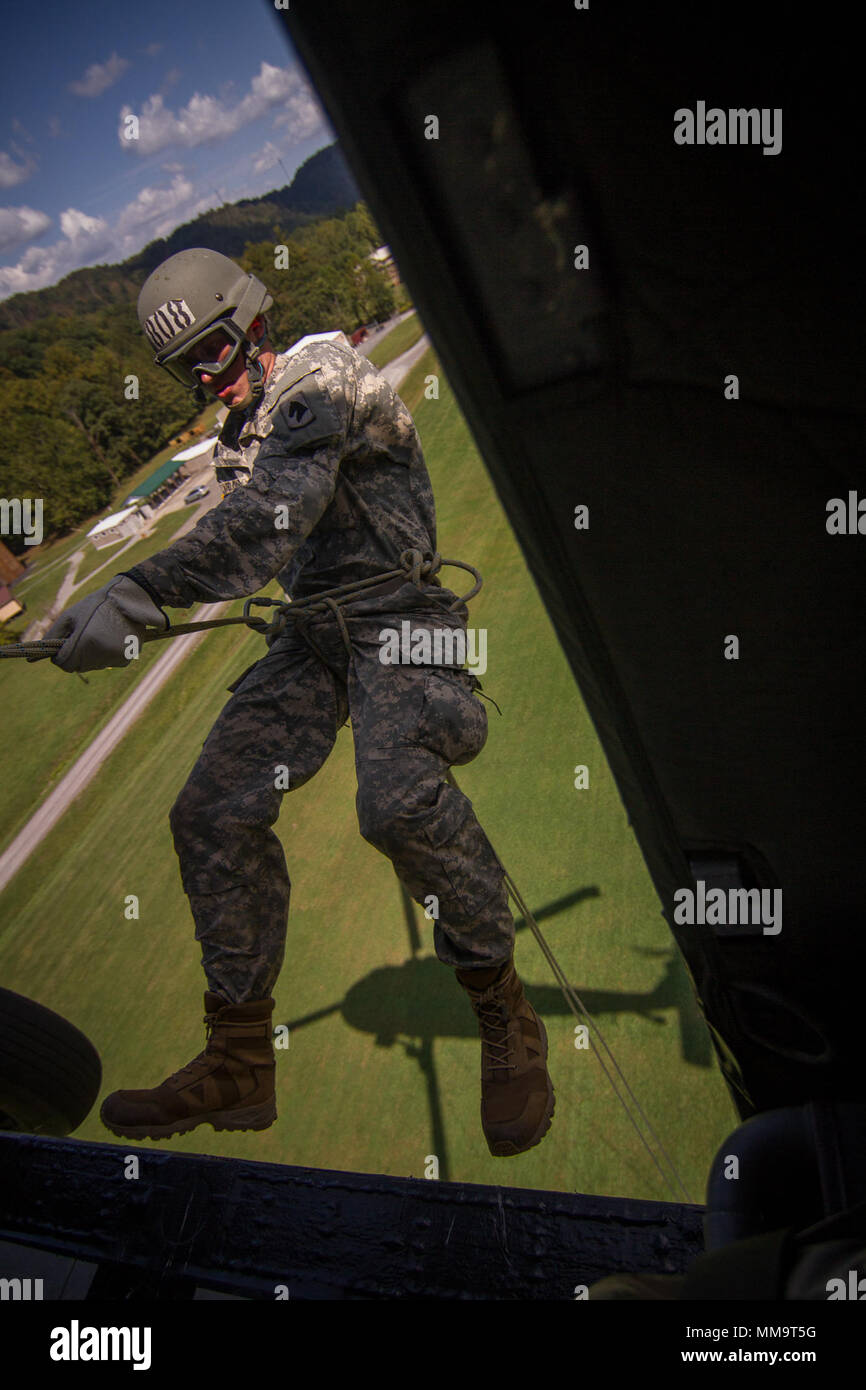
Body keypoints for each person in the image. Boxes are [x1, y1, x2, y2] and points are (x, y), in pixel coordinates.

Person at [45, 248, 555, 1157]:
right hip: (315, 635)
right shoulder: (243, 434)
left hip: (399, 616)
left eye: (214, 348)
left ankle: (506, 1012)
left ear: (253, 324)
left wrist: (138, 590)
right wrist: (118, 606)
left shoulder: (325, 378)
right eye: (187, 365)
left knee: (395, 801)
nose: (206, 375)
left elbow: (270, 520)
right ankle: (240, 1056)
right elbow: (239, 523)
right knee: (209, 809)